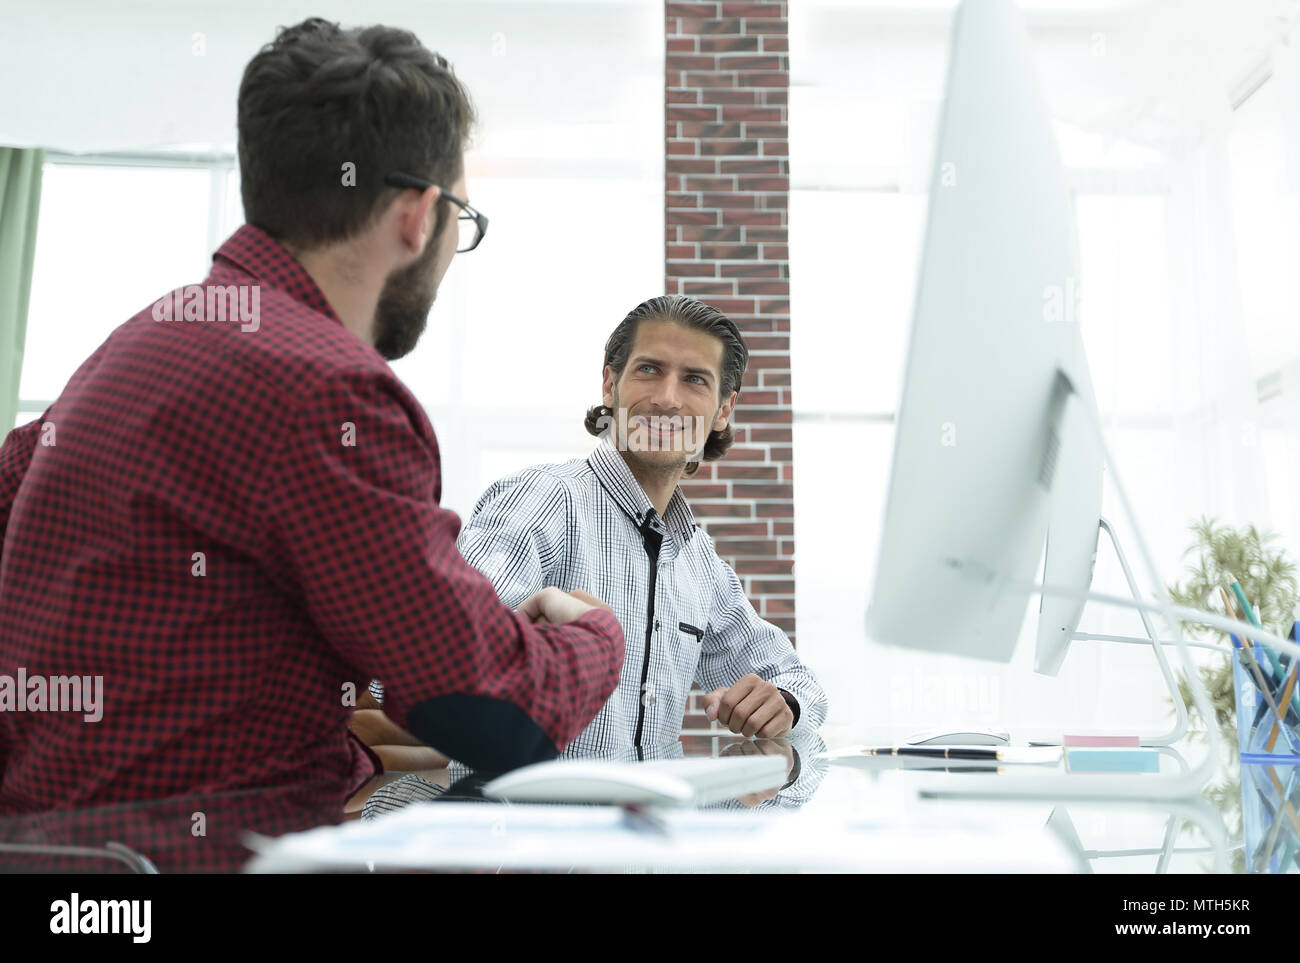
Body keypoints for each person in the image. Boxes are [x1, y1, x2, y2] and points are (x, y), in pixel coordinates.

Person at [0, 17, 623, 872]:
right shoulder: (328, 388)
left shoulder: (128, 350)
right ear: (419, 215)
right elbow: (495, 713)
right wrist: (595, 632)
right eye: (460, 219)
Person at [367, 294, 826, 766]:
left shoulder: (698, 562)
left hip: (645, 830)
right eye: (649, 370)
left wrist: (783, 704)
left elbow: (797, 681)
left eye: (694, 379)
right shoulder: (541, 502)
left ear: (722, 411)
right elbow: (440, 657)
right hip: (521, 828)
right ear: (610, 385)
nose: (667, 399)